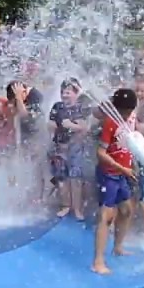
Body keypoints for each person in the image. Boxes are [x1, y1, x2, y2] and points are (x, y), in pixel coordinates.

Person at [91, 88, 138, 275]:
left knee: (126, 210)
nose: (127, 115)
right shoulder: (110, 122)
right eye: (123, 111)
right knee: (106, 217)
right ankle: (98, 261)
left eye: (129, 111)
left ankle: (118, 246)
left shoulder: (132, 119)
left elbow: (133, 141)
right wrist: (122, 168)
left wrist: (132, 163)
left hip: (123, 173)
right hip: (109, 174)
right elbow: (100, 153)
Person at [48, 80, 92, 218]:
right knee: (62, 178)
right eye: (63, 92)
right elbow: (51, 123)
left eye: (68, 92)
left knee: (76, 178)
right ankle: (65, 205)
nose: (64, 95)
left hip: (76, 148)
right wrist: (51, 126)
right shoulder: (57, 106)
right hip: (60, 147)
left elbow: (86, 128)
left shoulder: (81, 108)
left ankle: (77, 208)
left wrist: (71, 125)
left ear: (76, 93)